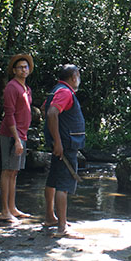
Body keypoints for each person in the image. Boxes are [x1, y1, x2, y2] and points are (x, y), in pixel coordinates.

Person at [43, 64, 85, 238]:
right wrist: (58, 141)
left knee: (53, 180)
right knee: (64, 185)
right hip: (66, 145)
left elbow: (45, 107)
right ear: (74, 76)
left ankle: (50, 217)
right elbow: (52, 113)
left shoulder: (56, 90)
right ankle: (62, 227)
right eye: (79, 75)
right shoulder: (65, 92)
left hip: (62, 144)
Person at [0, 53, 33, 222]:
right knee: (7, 171)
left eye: (26, 67)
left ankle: (12, 207)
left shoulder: (26, 88)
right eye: (20, 67)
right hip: (11, 135)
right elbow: (9, 114)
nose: (23, 69)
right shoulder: (12, 87)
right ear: (14, 70)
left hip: (21, 134)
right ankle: (5, 211)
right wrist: (17, 139)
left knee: (14, 172)